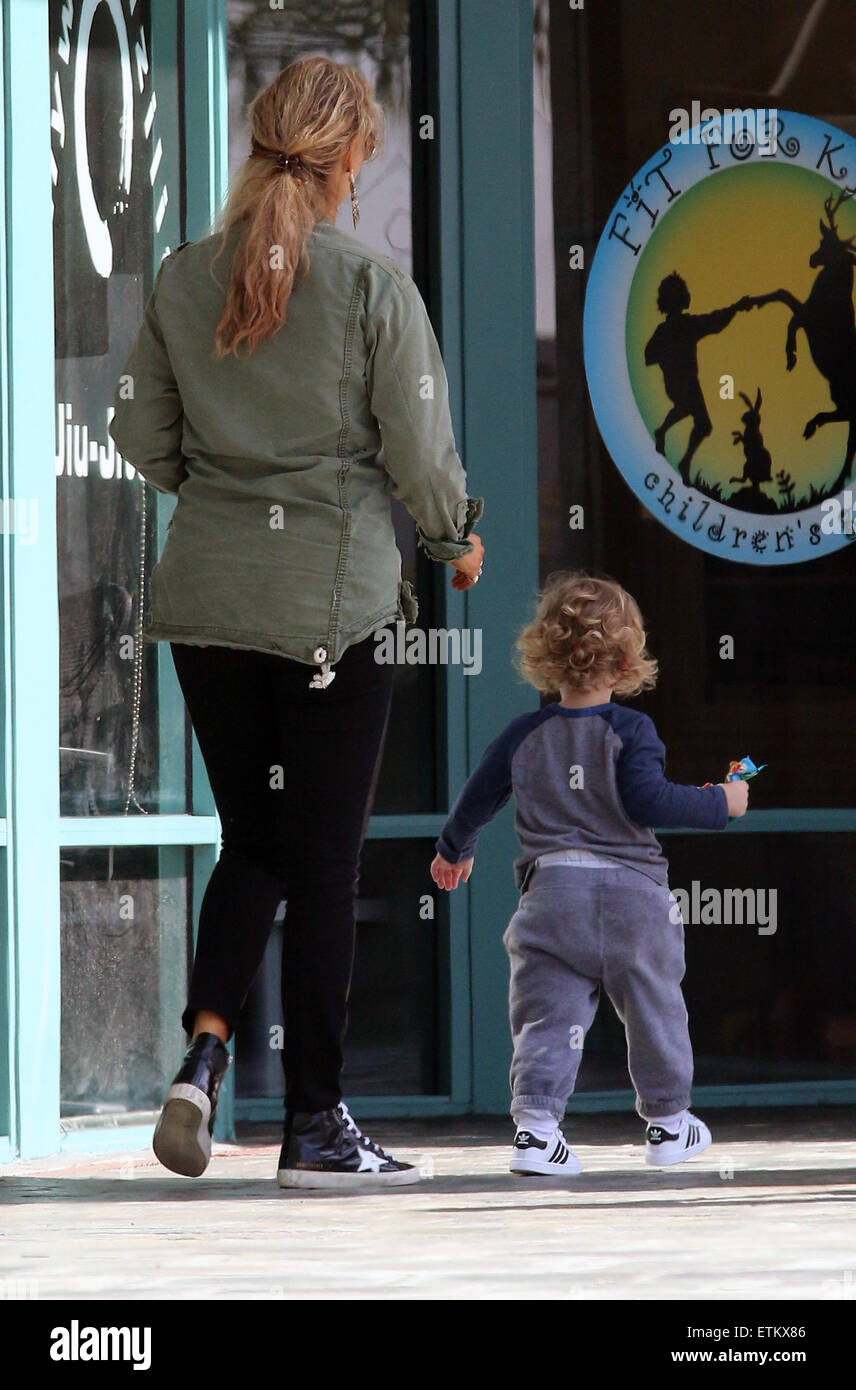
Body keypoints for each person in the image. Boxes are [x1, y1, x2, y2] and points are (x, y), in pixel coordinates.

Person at [108, 55, 484, 1189]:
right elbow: (420, 454)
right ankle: (316, 1124)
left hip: (212, 605)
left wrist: (213, 479)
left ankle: (206, 1054)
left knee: (257, 842)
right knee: (323, 861)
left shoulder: (184, 276)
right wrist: (454, 536)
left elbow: (137, 433)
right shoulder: (370, 287)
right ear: (353, 156)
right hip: (330, 604)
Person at [430, 572, 747, 1175]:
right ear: (628, 658)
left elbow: (477, 798)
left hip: (552, 899)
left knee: (547, 1015)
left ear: (546, 653)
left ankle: (537, 1133)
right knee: (654, 1006)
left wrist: (454, 850)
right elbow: (651, 803)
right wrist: (722, 802)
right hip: (634, 901)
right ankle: (669, 1122)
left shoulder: (524, 734)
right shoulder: (631, 731)